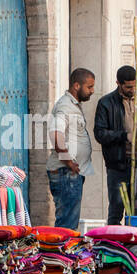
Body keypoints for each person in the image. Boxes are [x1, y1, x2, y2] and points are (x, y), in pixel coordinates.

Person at [94, 66, 137, 225]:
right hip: (118, 165)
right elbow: (100, 134)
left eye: (134, 86)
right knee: (116, 210)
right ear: (118, 83)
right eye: (128, 87)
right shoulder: (106, 103)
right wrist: (125, 136)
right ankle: (114, 240)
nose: (132, 90)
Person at [48, 68, 97, 231]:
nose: (92, 91)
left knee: (69, 224)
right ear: (76, 86)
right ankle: (59, 248)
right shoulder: (65, 106)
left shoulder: (73, 106)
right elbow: (56, 136)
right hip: (66, 173)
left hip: (70, 173)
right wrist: (69, 163)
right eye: (89, 87)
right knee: (66, 226)